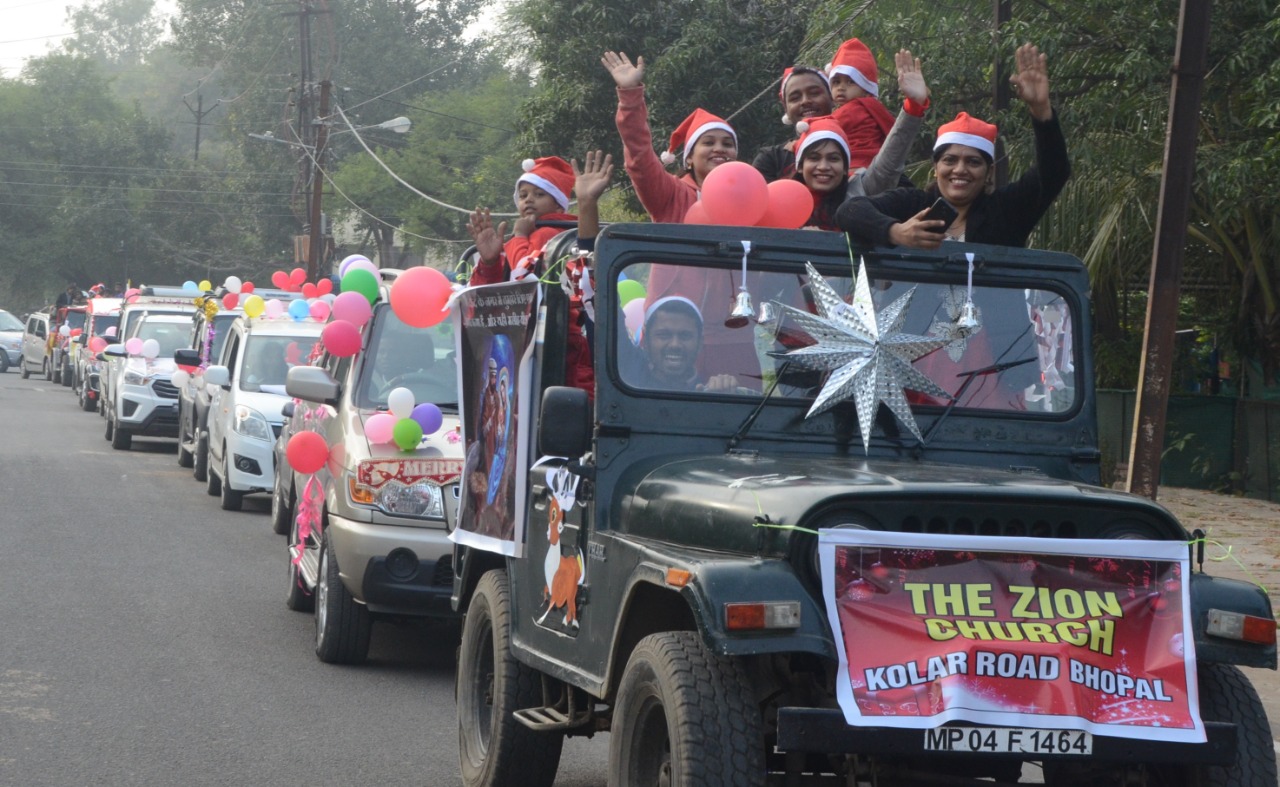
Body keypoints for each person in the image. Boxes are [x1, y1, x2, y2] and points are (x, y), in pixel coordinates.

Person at [837, 43, 1069, 250]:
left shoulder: (1005, 211)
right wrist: (896, 232)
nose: (960, 169)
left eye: (973, 162)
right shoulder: (913, 204)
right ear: (935, 168)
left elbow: (1053, 172)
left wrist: (1041, 110)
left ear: (989, 172)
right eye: (950, 160)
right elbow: (849, 211)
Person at [602, 50, 738, 223]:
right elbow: (640, 155)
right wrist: (630, 96)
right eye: (709, 142)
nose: (719, 148)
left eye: (727, 144)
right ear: (689, 158)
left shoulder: (751, 196)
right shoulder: (671, 194)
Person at [467, 156, 578, 282]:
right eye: (523, 195)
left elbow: (522, 277)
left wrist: (519, 235)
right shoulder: (525, 236)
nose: (528, 199)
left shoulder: (548, 234)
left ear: (558, 205)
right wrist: (490, 263)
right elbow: (487, 297)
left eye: (539, 194)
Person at [631, 297, 739, 392]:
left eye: (685, 336)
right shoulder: (628, 379)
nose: (675, 345)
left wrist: (722, 398)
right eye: (664, 335)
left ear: (700, 343)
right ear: (646, 340)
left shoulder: (711, 391)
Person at [752, 66, 834, 182]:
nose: (805, 101)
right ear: (786, 108)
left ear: (832, 97)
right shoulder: (770, 159)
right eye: (795, 98)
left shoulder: (858, 143)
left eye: (814, 93)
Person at [826, 37, 895, 171]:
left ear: (865, 88)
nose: (841, 88)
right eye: (836, 82)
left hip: (856, 164)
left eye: (850, 82)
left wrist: (805, 130)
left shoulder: (854, 109)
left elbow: (828, 126)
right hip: (875, 164)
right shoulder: (872, 108)